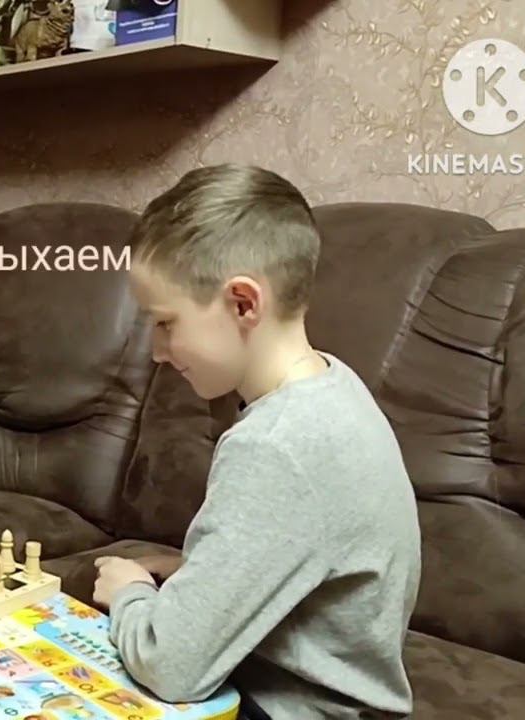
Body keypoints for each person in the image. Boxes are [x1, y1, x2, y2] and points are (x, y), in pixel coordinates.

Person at [92, 164, 421, 719]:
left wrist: (130, 593)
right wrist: (198, 570)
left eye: (165, 323)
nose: (156, 352)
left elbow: (170, 665)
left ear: (243, 303)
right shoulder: (335, 386)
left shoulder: (276, 445)